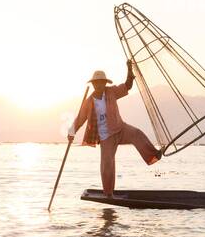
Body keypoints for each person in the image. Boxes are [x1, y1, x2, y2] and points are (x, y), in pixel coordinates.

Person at [69, 61, 162, 197]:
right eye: (97, 83)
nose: (99, 85)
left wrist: (129, 70)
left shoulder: (111, 91)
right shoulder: (89, 102)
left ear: (105, 83)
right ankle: (108, 194)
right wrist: (71, 132)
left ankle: (154, 154)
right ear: (93, 84)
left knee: (137, 134)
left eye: (101, 82)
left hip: (120, 128)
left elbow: (127, 86)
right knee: (108, 164)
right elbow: (80, 119)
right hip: (105, 136)